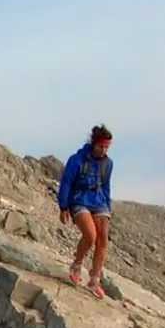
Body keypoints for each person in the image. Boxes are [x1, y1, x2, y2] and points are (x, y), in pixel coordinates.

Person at [57, 125, 114, 299]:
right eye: (101, 146)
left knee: (103, 239)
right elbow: (66, 182)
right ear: (93, 143)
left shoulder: (108, 164)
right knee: (90, 236)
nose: (104, 150)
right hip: (79, 200)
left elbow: (106, 186)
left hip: (99, 202)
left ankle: (94, 280)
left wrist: (108, 207)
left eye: (107, 147)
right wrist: (63, 206)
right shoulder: (76, 160)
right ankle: (76, 265)